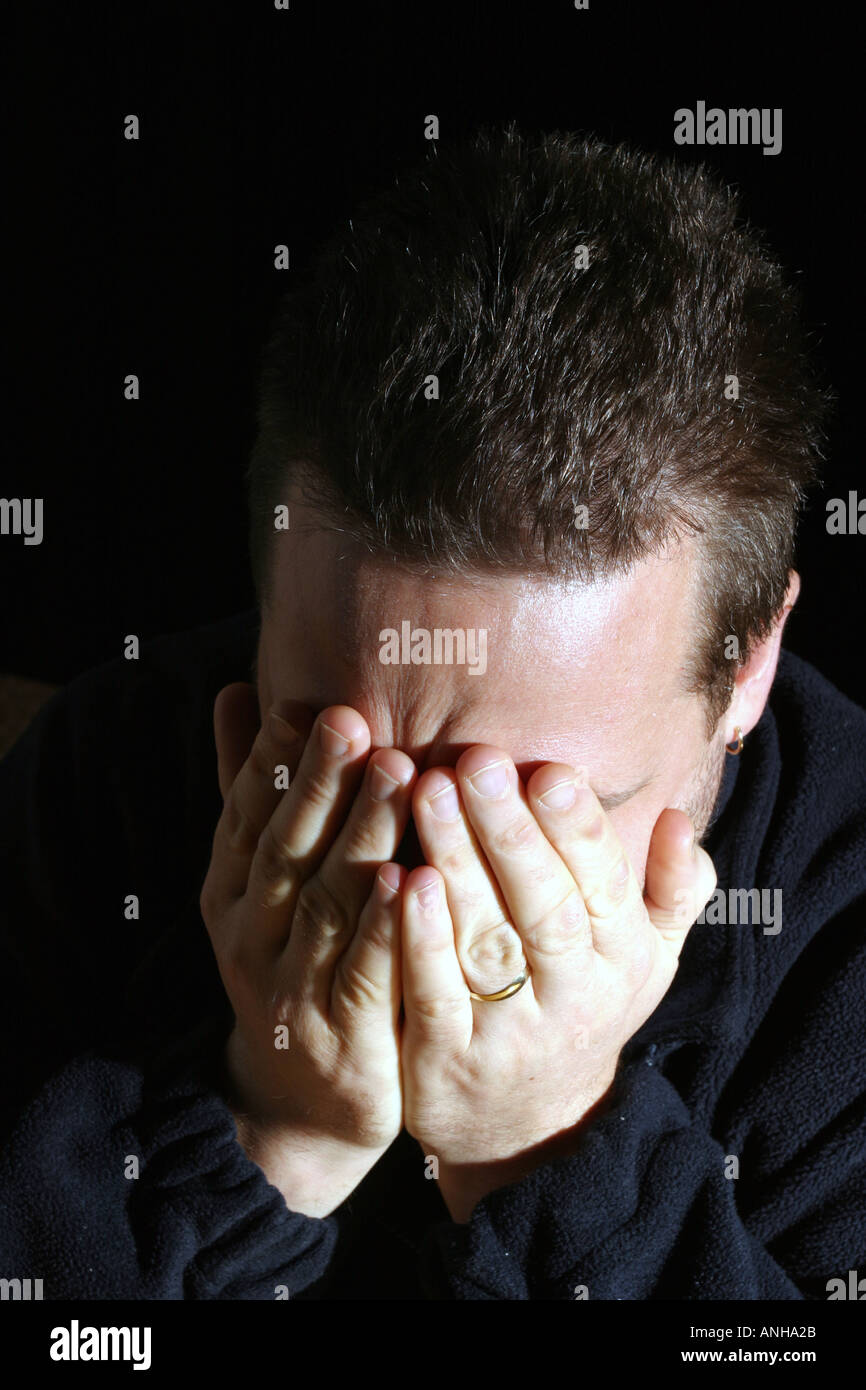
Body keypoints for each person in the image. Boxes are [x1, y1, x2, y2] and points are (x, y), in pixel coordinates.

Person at [1, 123, 864, 1301]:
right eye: (328, 759)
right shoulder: (96, 783)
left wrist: (544, 1147)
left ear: (745, 667)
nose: (420, 887)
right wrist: (269, 1135)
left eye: (541, 806)